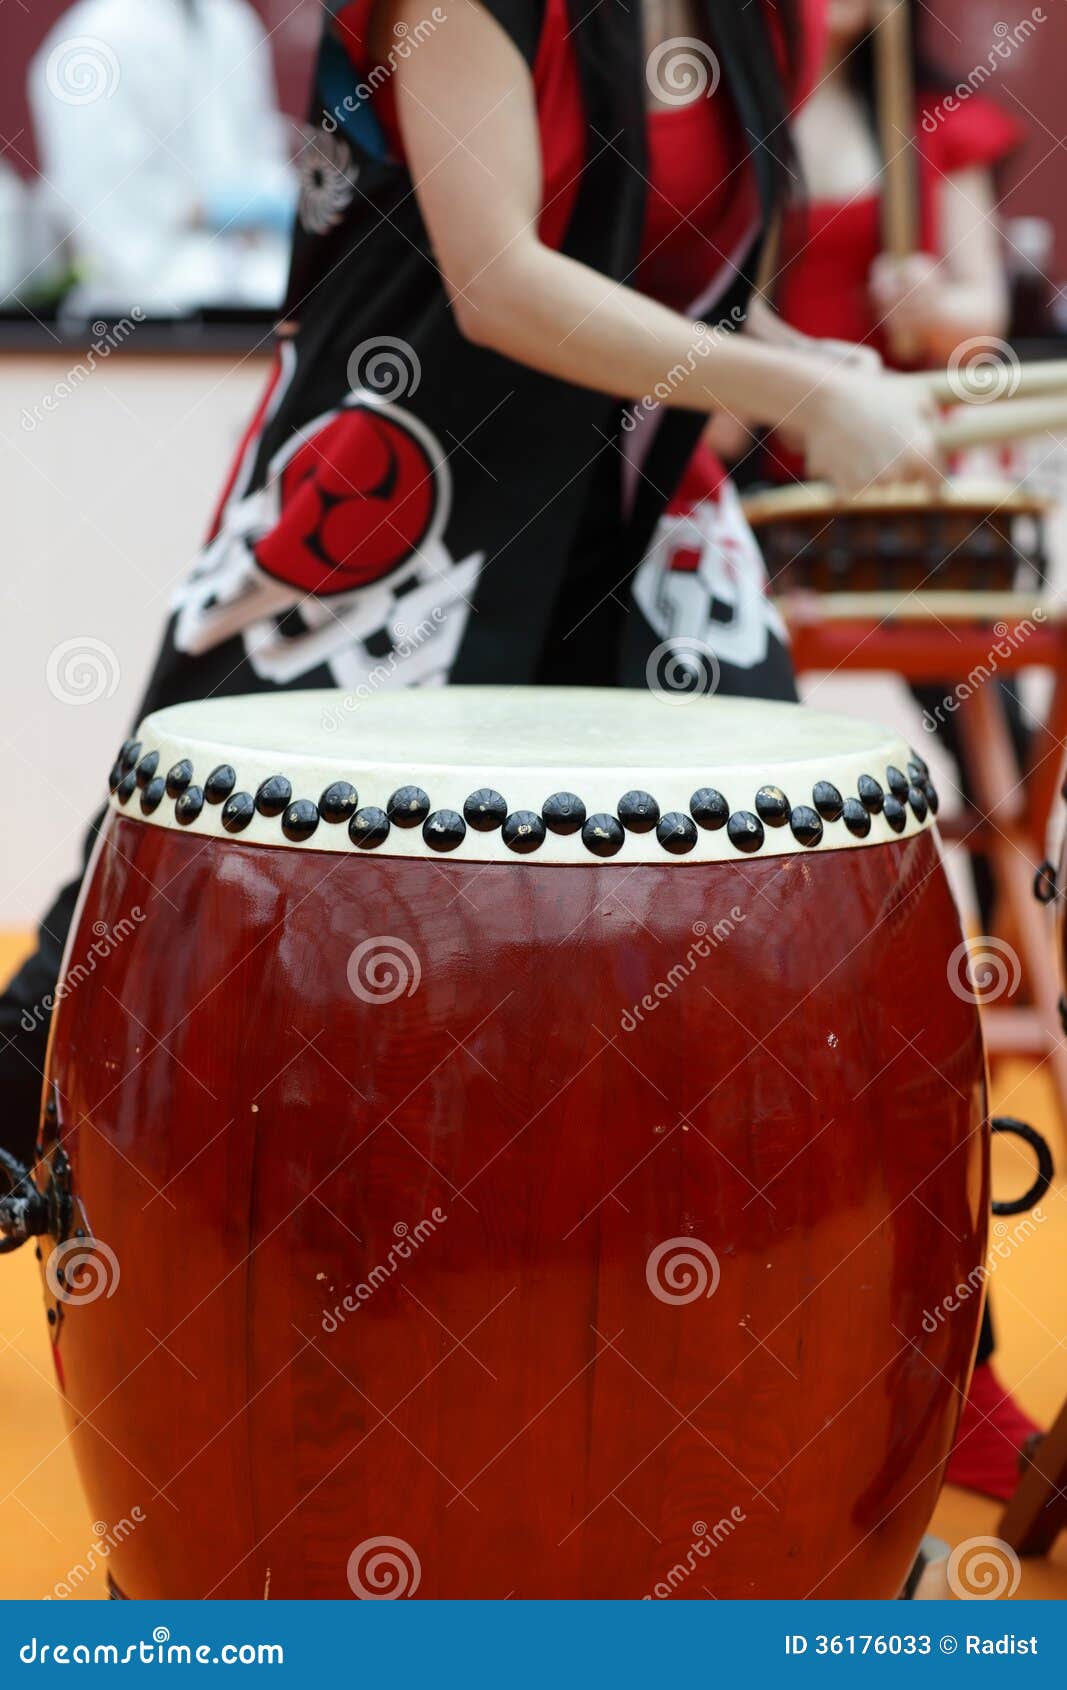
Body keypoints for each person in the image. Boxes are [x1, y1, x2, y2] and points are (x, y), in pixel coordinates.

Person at [3, 0, 944, 1162]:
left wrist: (811, 367)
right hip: (397, 491)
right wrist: (798, 397)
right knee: (174, 891)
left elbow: (669, 270)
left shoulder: (753, 18)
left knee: (770, 892)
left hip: (634, 496)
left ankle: (846, 1321)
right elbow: (498, 280)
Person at [729, 0, 1036, 1505]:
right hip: (754, 507)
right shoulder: (713, 90)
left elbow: (981, 331)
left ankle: (994, 960)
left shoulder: (933, 121)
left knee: (981, 750)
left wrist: (942, 324)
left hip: (908, 492)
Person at [27, 0, 296, 317]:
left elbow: (260, 148)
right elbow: (105, 210)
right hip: (141, 301)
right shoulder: (92, 42)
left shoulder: (232, 21)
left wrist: (271, 197)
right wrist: (207, 208)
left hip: (257, 278)